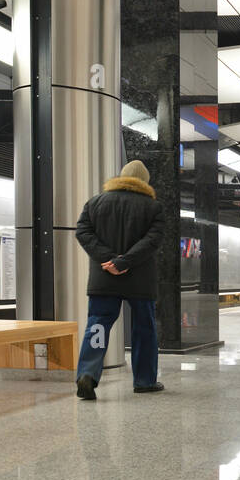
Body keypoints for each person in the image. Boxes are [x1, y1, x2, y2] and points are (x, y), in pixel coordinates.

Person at [73, 160, 165, 400]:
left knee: (98, 325)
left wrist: (109, 260)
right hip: (140, 279)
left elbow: (83, 232)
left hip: (104, 277)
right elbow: (153, 240)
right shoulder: (153, 207)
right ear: (144, 181)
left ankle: (87, 375)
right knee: (144, 329)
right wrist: (124, 262)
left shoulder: (95, 202)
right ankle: (144, 381)